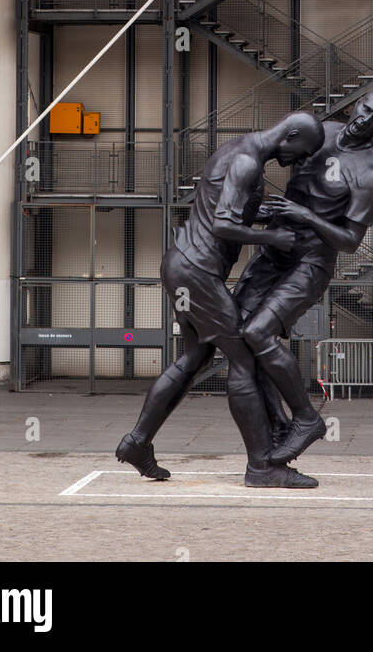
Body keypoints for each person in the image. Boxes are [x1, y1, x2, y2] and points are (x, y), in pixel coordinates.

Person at [115, 111, 325, 489]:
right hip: (197, 273)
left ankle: (137, 442)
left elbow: (219, 209)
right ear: (290, 135)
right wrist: (274, 239)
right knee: (244, 358)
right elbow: (223, 225)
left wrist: (265, 214)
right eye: (302, 151)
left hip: (180, 266)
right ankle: (262, 467)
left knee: (194, 356)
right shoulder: (247, 163)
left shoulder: (237, 150)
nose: (299, 161)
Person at [234, 84, 373, 465]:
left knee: (257, 332)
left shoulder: (369, 173)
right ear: (359, 103)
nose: (365, 119)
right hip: (276, 244)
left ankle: (308, 418)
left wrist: (307, 216)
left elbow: (350, 241)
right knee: (238, 335)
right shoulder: (319, 130)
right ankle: (279, 423)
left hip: (310, 260)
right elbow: (269, 151)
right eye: (366, 109)